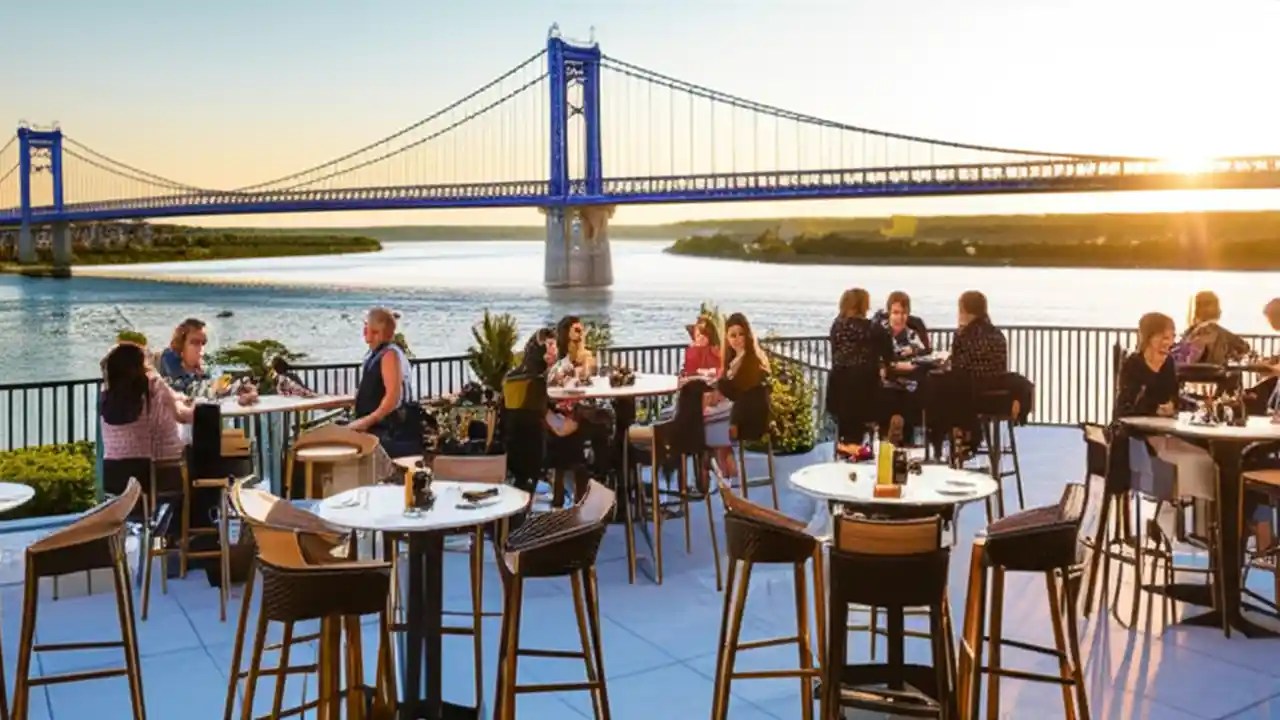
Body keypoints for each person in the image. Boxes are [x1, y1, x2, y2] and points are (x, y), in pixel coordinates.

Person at [100, 342, 195, 535]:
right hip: (152, 478)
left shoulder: (106, 395)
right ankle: (183, 538)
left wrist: (175, 397)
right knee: (197, 468)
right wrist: (203, 407)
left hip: (116, 482)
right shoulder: (153, 385)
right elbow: (183, 416)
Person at [827, 289, 893, 453]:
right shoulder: (871, 328)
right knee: (891, 402)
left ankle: (845, 451)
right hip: (864, 390)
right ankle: (883, 445)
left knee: (847, 430)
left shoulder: (836, 326)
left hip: (838, 387)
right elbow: (889, 354)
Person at [349, 307, 419, 457]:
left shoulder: (389, 355)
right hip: (382, 428)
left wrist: (365, 422)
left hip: (388, 432)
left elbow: (393, 398)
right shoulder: (379, 353)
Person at [1113, 312, 1179, 419]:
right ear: (1149, 337)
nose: (1169, 342)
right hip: (1134, 426)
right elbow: (1127, 405)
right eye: (1164, 337)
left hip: (1163, 426)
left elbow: (1174, 395)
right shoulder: (1133, 363)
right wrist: (1154, 409)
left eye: (1172, 337)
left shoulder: (1169, 362)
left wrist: (1173, 405)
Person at [1177, 290, 1250, 365]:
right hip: (1216, 374)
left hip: (1189, 374)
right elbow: (1244, 347)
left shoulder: (1189, 334)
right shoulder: (1222, 333)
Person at [157, 318, 210, 394]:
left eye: (203, 343)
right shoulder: (169, 357)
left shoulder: (201, 366)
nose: (201, 348)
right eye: (195, 342)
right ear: (181, 344)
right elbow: (179, 388)